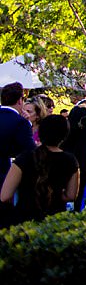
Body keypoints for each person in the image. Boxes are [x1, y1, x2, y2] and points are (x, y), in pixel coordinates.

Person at [0, 114, 79, 225]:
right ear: (64, 135)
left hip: (24, 221)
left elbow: (5, 196)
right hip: (55, 221)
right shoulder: (70, 160)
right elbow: (71, 195)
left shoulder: (24, 158)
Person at [0, 83, 36, 227]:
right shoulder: (20, 123)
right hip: (5, 176)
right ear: (20, 100)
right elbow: (29, 151)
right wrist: (29, 124)